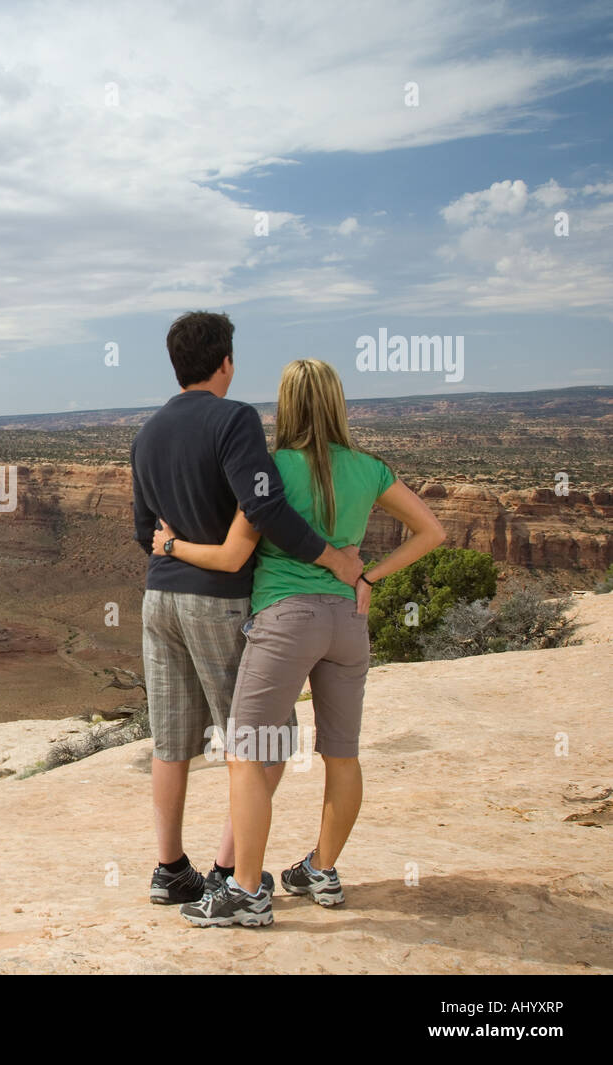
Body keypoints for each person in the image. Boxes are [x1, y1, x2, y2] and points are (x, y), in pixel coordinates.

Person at [153, 358, 445, 927]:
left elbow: (235, 551)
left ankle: (246, 892)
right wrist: (368, 577)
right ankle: (322, 870)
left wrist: (170, 546)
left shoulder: (272, 469)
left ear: (286, 405)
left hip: (286, 621)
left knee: (246, 752)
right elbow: (433, 532)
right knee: (342, 753)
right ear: (338, 402)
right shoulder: (370, 468)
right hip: (347, 623)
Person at [132, 314, 364, 906]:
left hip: (160, 598)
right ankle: (227, 871)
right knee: (262, 738)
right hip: (219, 603)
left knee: (171, 739)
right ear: (226, 362)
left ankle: (168, 869)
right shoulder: (234, 419)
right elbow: (268, 511)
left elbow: (144, 532)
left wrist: (174, 547)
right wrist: (333, 559)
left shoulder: (147, 432)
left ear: (175, 364)